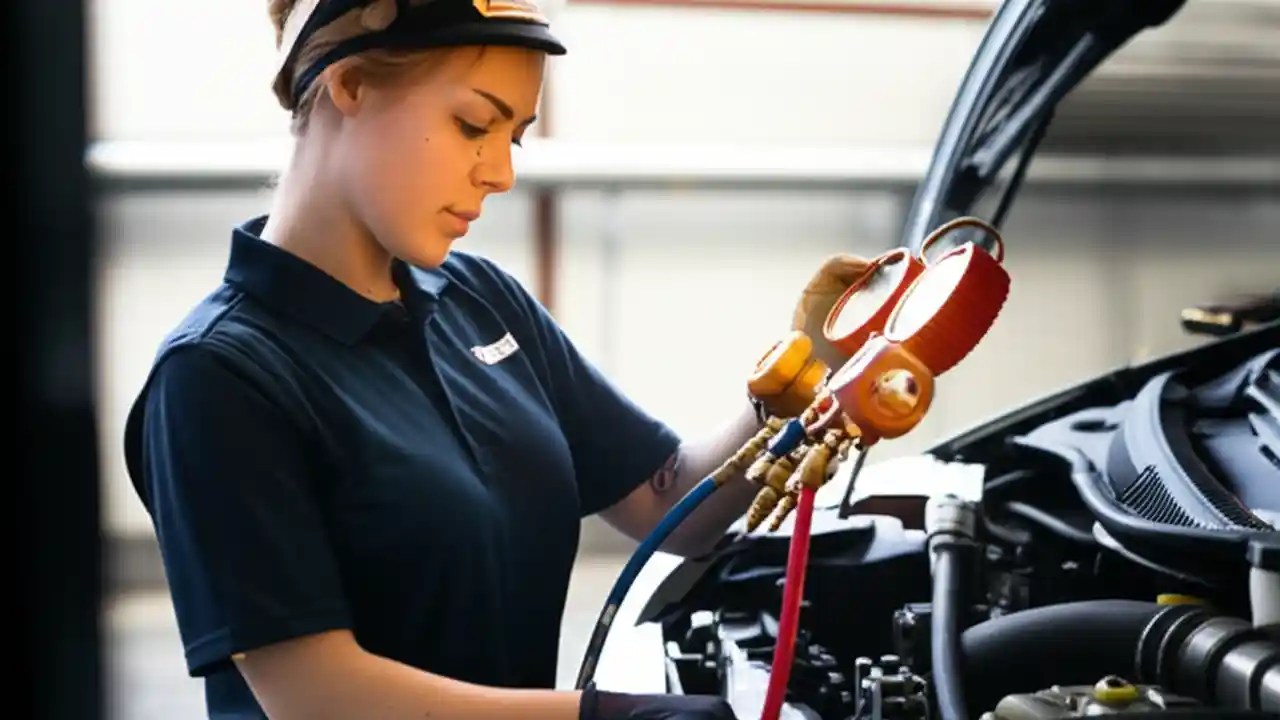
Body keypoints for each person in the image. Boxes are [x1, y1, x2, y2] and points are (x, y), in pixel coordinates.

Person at [121, 1, 870, 718]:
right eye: (472, 123)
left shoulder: (479, 298)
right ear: (347, 82)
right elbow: (318, 695)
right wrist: (603, 715)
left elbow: (661, 503)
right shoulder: (217, 376)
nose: (500, 173)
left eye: (512, 137)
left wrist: (802, 378)